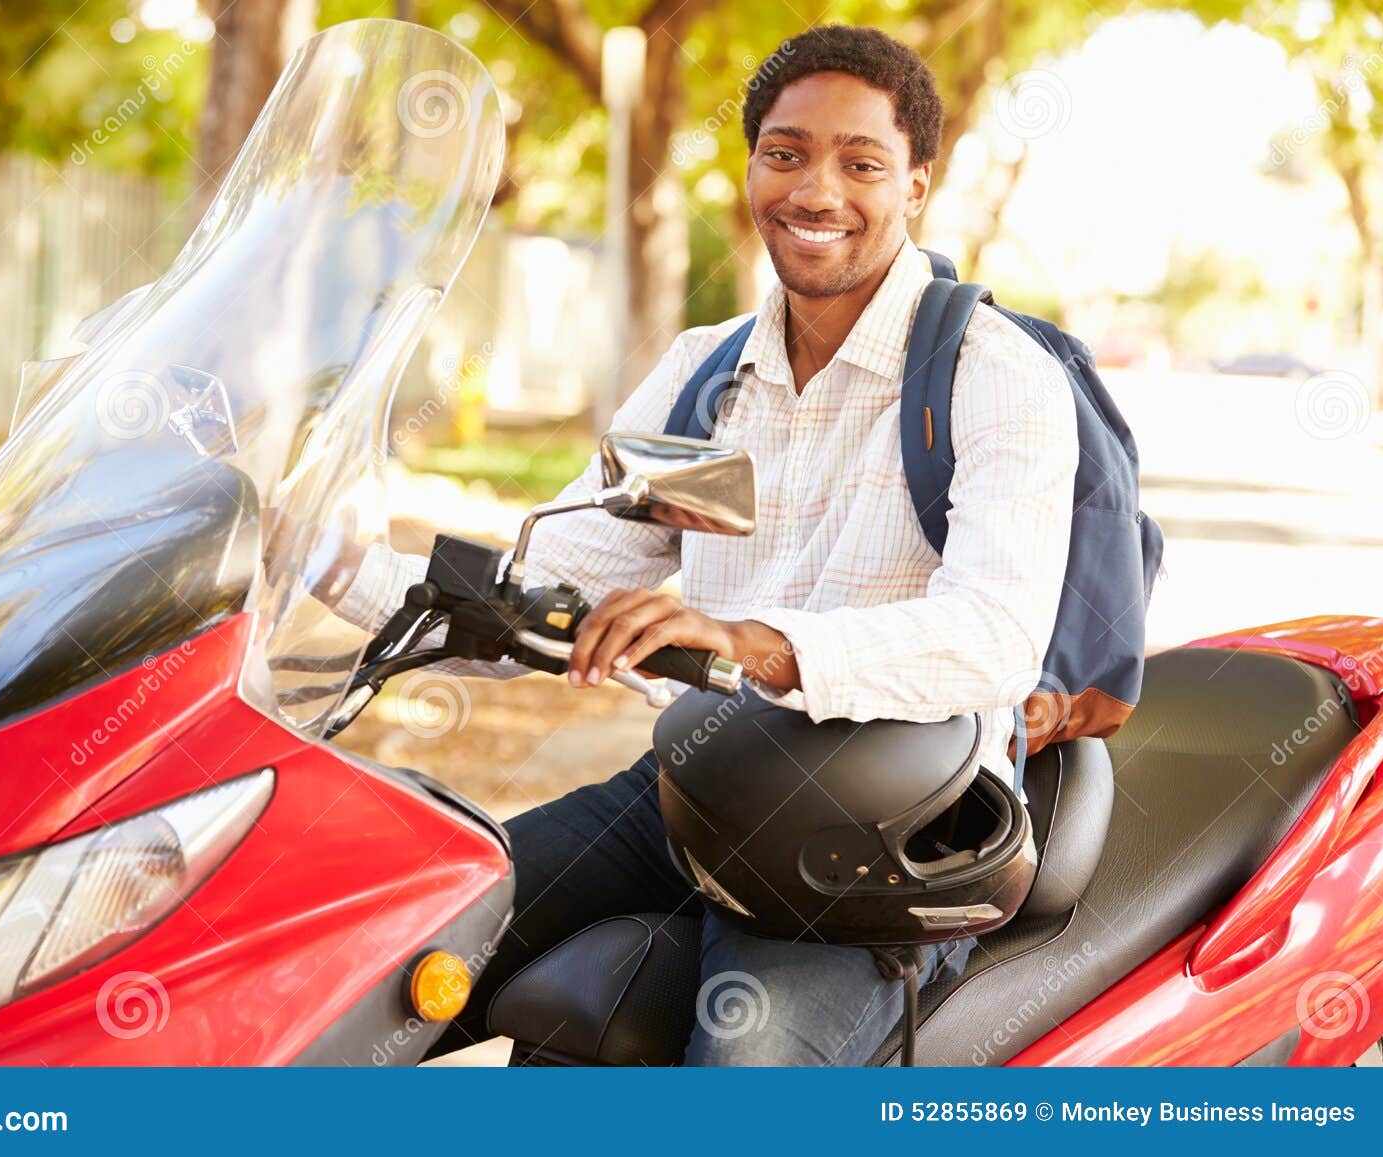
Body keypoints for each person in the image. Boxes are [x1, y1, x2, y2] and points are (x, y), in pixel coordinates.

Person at [329, 23, 1078, 1065]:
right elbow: (556, 583)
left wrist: (748, 639)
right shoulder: (704, 375)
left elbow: (994, 634)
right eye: (785, 152)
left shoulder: (995, 374)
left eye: (859, 162)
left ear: (915, 183)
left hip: (880, 833)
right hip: (699, 781)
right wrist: (306, 556)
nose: (816, 191)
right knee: (373, 952)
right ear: (752, 164)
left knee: (743, 1072)